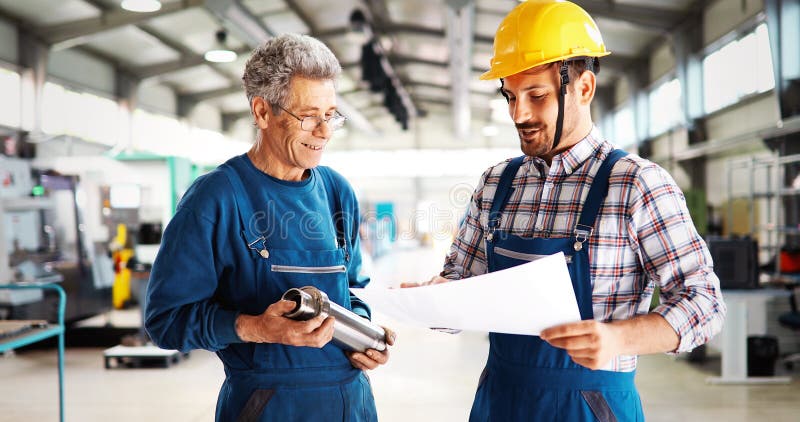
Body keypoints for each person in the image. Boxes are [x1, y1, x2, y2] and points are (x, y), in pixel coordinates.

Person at [404, 1, 726, 420]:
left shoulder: (635, 184)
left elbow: (704, 304)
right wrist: (429, 300)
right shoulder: (496, 184)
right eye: (510, 97)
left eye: (536, 95)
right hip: (500, 401)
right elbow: (459, 290)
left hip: (590, 405)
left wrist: (615, 339)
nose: (519, 114)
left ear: (584, 88)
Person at [145, 33, 394, 422]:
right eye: (309, 116)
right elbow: (166, 321)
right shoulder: (215, 200)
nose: (325, 131)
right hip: (266, 406)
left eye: (330, 115)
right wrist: (256, 327)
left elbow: (353, 289)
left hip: (352, 404)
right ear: (262, 112)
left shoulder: (335, 191)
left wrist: (364, 333)